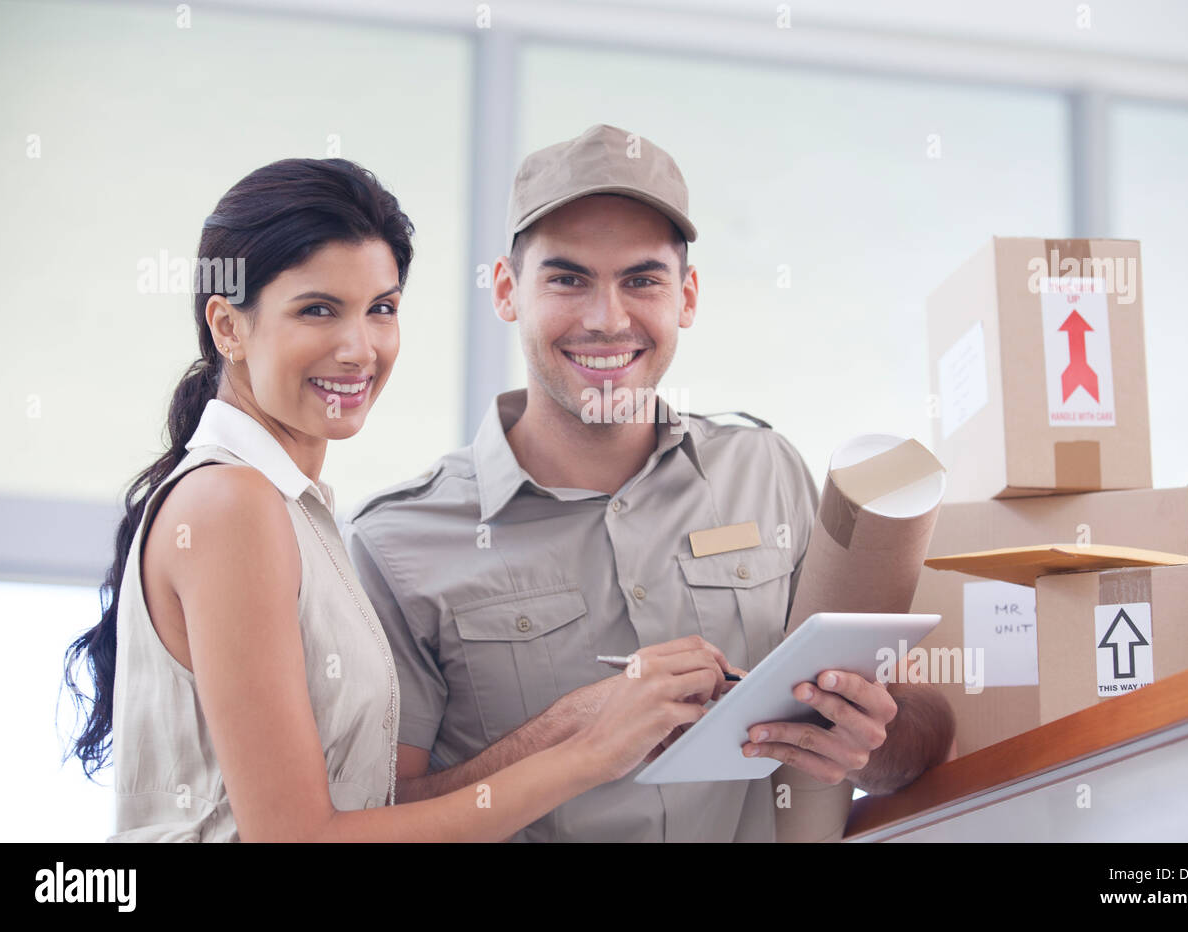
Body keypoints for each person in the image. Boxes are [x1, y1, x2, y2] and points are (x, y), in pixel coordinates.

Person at [61, 157, 733, 842]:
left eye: (381, 309)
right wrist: (593, 755)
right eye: (318, 309)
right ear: (228, 326)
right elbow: (302, 839)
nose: (360, 349)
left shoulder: (280, 505)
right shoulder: (232, 503)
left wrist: (572, 723)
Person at [345, 124, 955, 843]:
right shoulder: (397, 542)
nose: (608, 319)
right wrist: (575, 734)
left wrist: (875, 742)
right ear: (507, 291)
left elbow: (920, 727)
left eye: (642, 280)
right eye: (568, 279)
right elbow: (381, 820)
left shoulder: (767, 472)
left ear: (686, 298)